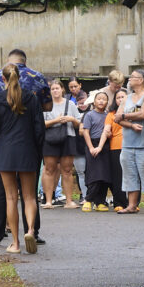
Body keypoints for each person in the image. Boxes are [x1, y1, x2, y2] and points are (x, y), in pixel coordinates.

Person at [0, 64, 46, 254]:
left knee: (10, 197)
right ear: (19, 77)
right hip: (27, 150)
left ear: (3, 79)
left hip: (5, 151)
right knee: (29, 197)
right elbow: (39, 128)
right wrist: (37, 150)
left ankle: (15, 243)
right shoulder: (31, 98)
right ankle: (30, 230)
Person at [113, 69, 144, 214]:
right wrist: (131, 123)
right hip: (127, 144)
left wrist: (125, 115)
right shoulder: (126, 97)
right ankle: (131, 205)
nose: (129, 79)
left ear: (141, 79)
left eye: (133, 77)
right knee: (129, 174)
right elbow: (116, 118)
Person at [42, 80, 82, 211]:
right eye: (52, 89)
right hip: (50, 138)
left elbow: (79, 124)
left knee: (67, 170)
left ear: (62, 90)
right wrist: (55, 121)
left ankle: (69, 200)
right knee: (49, 169)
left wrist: (71, 119)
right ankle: (48, 200)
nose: (55, 91)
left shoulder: (70, 104)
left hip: (68, 137)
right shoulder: (44, 105)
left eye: (57, 88)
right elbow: (40, 124)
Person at [81, 90, 113, 211]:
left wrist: (108, 135)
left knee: (104, 175)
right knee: (94, 174)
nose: (101, 101)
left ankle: (100, 201)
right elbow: (85, 132)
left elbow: (110, 132)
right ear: (94, 101)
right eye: (98, 98)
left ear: (107, 102)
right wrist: (90, 148)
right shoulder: (89, 115)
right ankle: (88, 199)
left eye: (104, 99)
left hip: (104, 145)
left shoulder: (108, 116)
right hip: (92, 144)